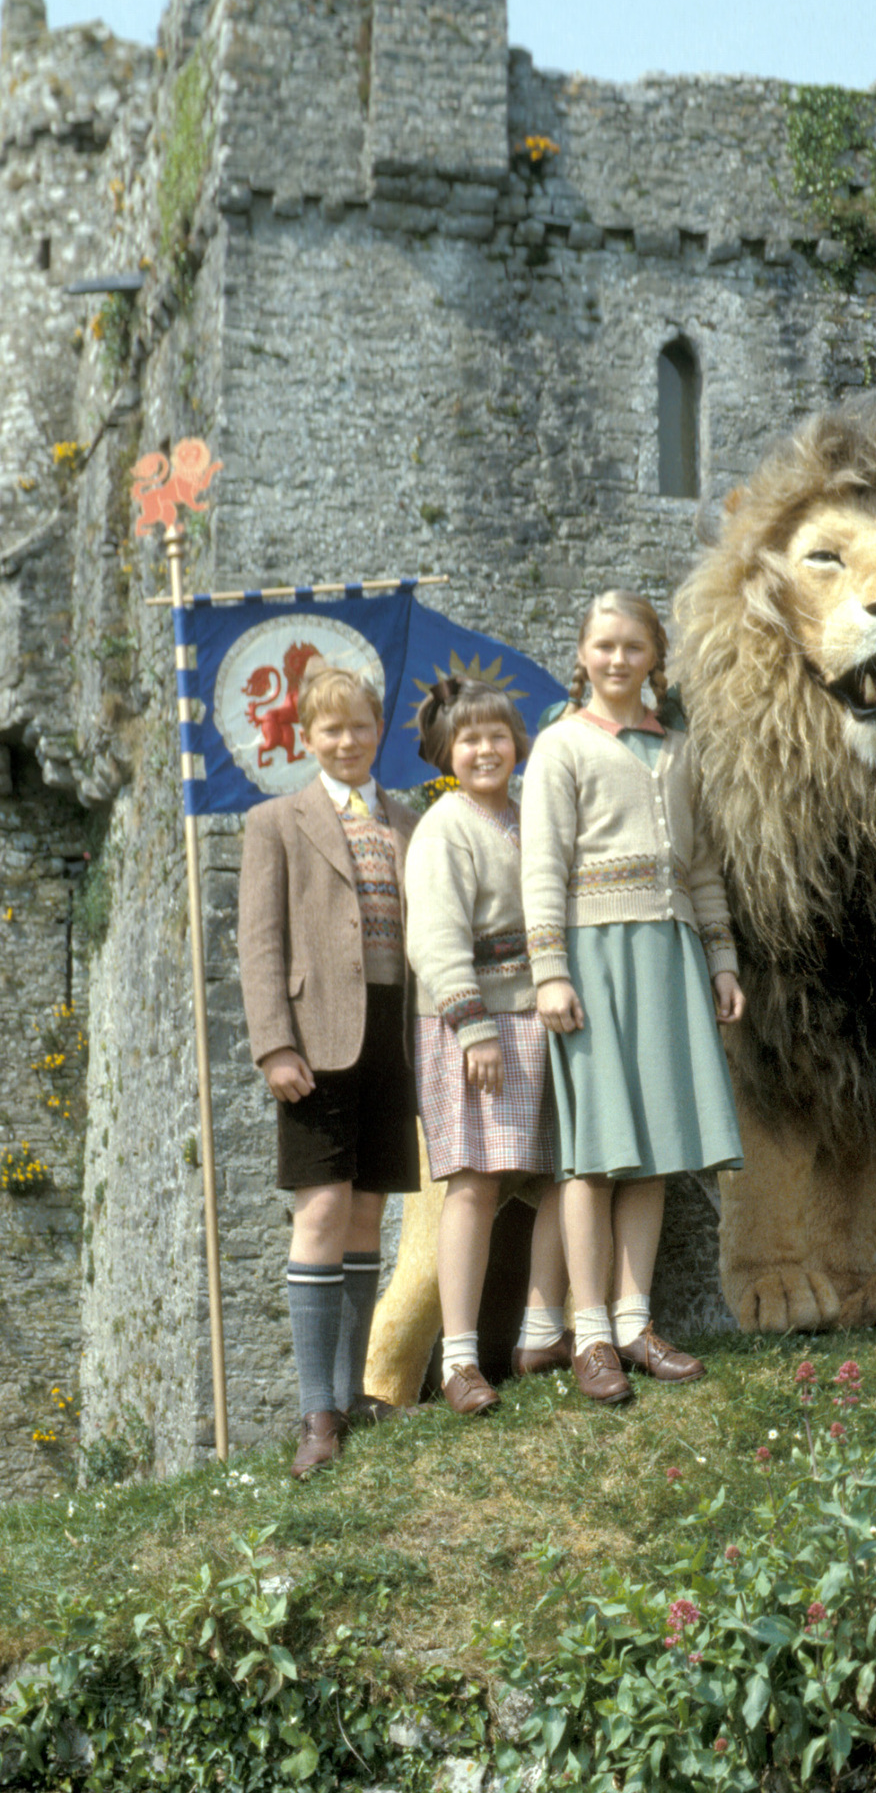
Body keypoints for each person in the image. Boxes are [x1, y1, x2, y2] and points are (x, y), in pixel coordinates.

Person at [520, 590, 745, 1404]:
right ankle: (587, 1335)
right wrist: (550, 971)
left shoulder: (680, 751)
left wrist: (721, 959)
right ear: (581, 655)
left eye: (634, 647)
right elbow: (541, 866)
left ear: (656, 657)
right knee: (595, 1150)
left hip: (671, 953)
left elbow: (703, 868)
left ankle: (634, 1320)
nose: (618, 660)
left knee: (656, 1150)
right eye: (604, 646)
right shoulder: (559, 747)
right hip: (593, 955)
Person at [238, 663, 421, 1479]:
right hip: (316, 1038)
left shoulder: (410, 819)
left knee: (367, 1215)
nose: (347, 741)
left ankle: (353, 1397)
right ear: (306, 740)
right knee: (321, 1212)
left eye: (360, 727)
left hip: (395, 1035)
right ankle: (317, 1412)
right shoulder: (277, 820)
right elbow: (260, 943)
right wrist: (275, 1044)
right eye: (330, 730)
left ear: (379, 731)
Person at [404, 676, 569, 1418]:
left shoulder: (533, 815)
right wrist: (472, 1025)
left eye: (498, 735)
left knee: (569, 1174)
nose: (485, 750)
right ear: (447, 750)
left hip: (541, 1018)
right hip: (474, 1024)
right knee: (472, 1183)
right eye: (469, 740)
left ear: (517, 743)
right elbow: (435, 939)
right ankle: (460, 1359)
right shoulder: (446, 825)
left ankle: (541, 1331)